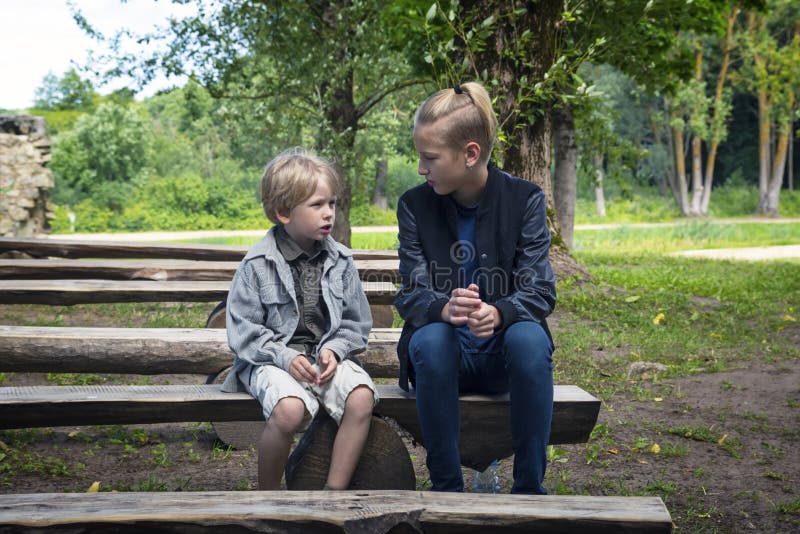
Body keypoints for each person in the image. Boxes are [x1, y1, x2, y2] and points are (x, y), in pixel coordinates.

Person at [394, 81, 557, 494]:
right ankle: (446, 488)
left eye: (429, 157)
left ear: (469, 154)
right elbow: (411, 292)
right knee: (431, 339)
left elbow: (539, 290)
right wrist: (442, 309)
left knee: (530, 340)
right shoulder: (414, 205)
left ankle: (529, 491)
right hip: (442, 359)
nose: (421, 168)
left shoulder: (526, 200)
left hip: (502, 358)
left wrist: (500, 313)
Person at [224, 147, 379, 490]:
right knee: (290, 410)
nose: (329, 214)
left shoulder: (341, 261)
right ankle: (268, 496)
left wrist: (336, 350)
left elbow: (356, 323)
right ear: (283, 212)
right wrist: (285, 355)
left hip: (323, 361)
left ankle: (333, 493)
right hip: (269, 361)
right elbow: (244, 332)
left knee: (361, 398)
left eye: (332, 204)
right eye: (317, 205)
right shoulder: (257, 265)